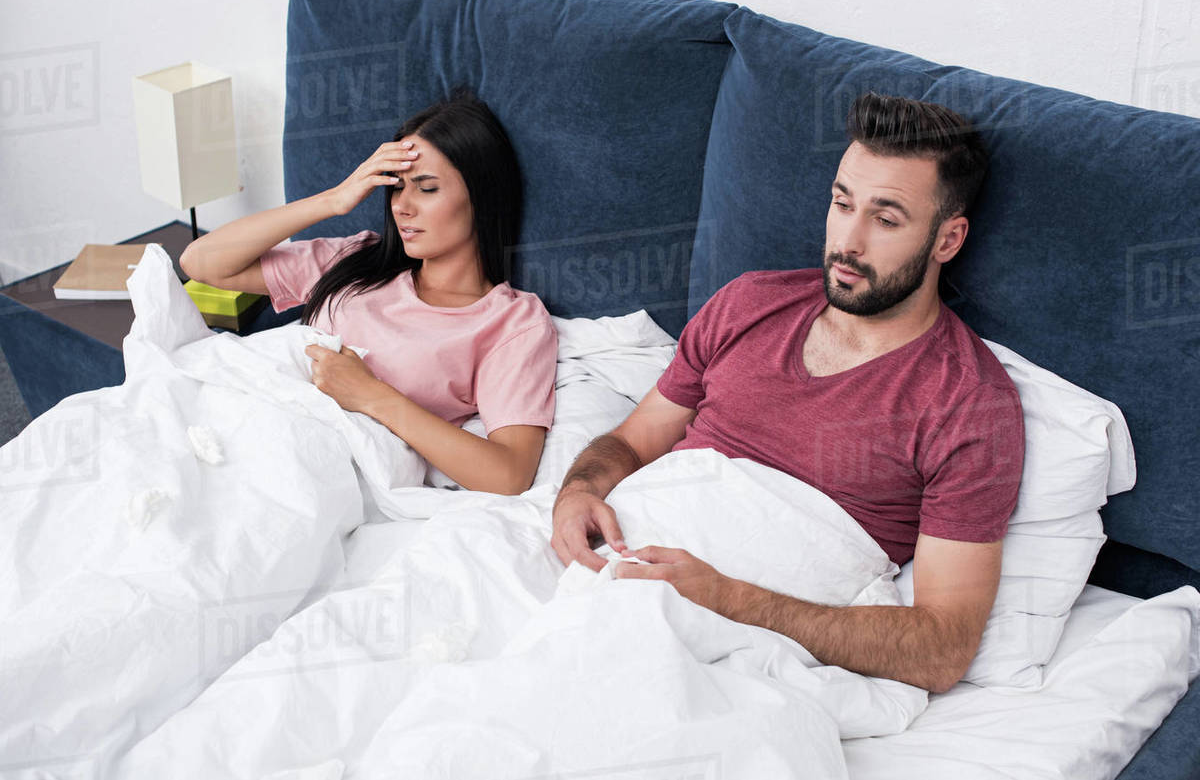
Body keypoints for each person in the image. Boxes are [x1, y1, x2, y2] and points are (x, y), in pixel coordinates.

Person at [549, 92, 1025, 694]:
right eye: (841, 203)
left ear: (947, 240)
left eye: (885, 219)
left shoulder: (968, 404)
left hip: (721, 636)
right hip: (600, 564)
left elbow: (941, 649)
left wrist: (727, 598)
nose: (847, 242)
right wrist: (579, 491)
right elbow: (631, 440)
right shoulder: (750, 302)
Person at [181, 90, 556, 495]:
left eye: (426, 189)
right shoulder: (359, 258)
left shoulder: (510, 323)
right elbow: (201, 262)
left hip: (306, 474)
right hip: (230, 424)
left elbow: (509, 474)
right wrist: (333, 200)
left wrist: (371, 395)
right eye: (397, 187)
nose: (401, 206)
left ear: (482, 197)